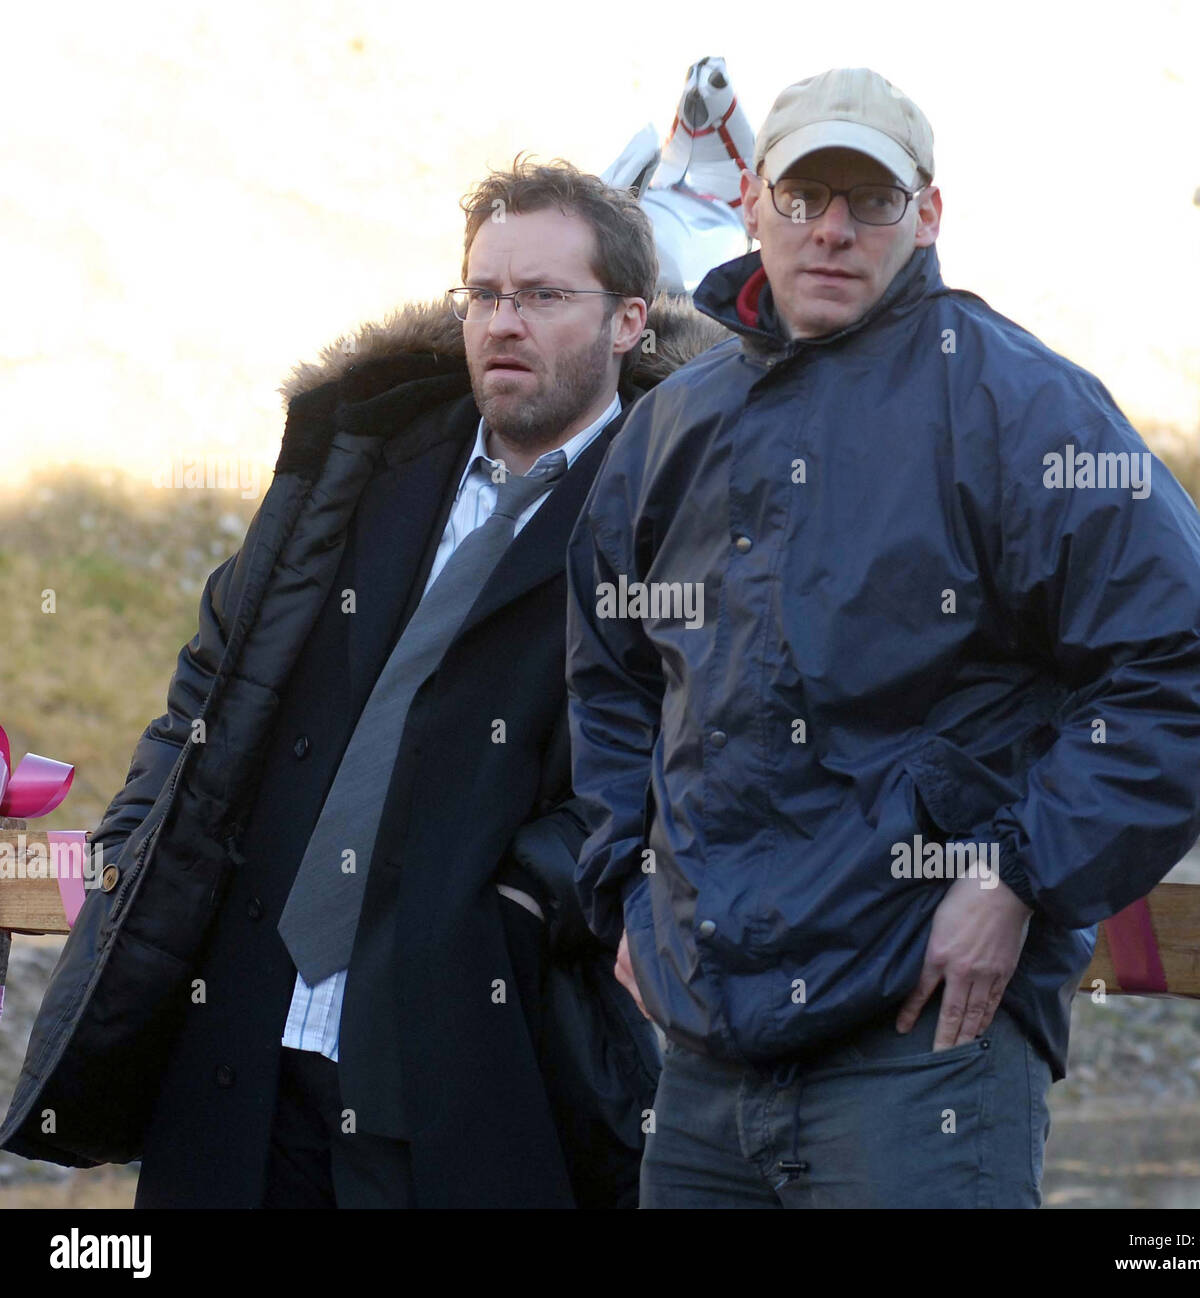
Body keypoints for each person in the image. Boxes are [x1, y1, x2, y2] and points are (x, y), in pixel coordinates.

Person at [565, 67, 1200, 1209]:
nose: (833, 228)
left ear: (926, 214)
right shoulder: (669, 429)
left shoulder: (1020, 408)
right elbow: (611, 676)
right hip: (702, 1063)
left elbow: (1187, 673)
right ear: (752, 204)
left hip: (921, 1047)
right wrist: (628, 894)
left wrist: (1015, 872)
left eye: (870, 199)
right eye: (804, 194)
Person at [0, 158, 719, 1208]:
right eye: (484, 293)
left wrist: (525, 895)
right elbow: (213, 674)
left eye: (543, 296)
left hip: (472, 1058)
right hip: (244, 1042)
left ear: (626, 321)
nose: (503, 322)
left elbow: (695, 753)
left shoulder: (676, 511)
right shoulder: (361, 469)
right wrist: (131, 844)